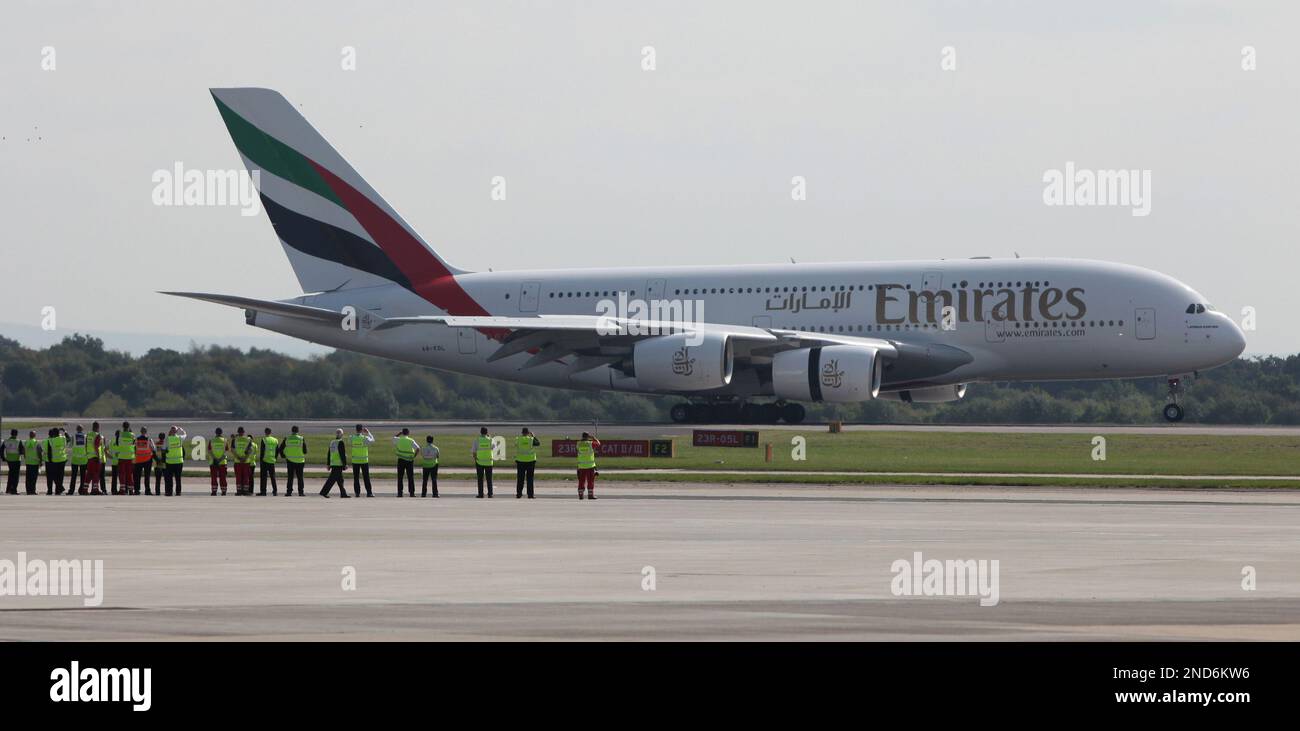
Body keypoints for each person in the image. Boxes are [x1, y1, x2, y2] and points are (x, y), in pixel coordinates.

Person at [320, 429, 351, 498]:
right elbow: (342, 455)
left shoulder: (332, 442)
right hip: (338, 464)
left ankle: (343, 493)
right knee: (331, 480)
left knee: (340, 480)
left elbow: (329, 454)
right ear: (342, 434)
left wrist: (328, 464)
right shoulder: (341, 442)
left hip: (333, 463)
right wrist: (345, 464)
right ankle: (323, 492)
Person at [515, 427, 540, 499]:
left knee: (520, 478)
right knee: (530, 479)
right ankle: (530, 495)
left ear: (522, 433)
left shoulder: (518, 439)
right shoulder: (531, 439)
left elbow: (516, 444)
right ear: (528, 433)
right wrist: (534, 436)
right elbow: (538, 443)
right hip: (530, 461)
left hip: (520, 461)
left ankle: (519, 494)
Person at [350, 424, 374, 498]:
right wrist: (368, 432)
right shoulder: (364, 438)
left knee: (356, 478)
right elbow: (373, 440)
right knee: (366, 477)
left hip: (355, 461)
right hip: (364, 460)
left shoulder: (351, 438)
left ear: (356, 429)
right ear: (361, 430)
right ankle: (369, 493)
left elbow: (350, 441)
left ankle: (357, 493)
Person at [282, 426, 307, 496]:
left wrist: (283, 456)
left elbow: (280, 448)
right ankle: (301, 492)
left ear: (291, 430)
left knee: (290, 477)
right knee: (300, 477)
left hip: (290, 460)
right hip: (300, 461)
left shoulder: (287, 438)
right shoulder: (301, 439)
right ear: (298, 431)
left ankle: (289, 492)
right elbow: (305, 451)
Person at [393, 428, 418, 497]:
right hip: (409, 460)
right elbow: (418, 448)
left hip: (401, 460)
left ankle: (400, 493)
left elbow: (394, 438)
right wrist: (414, 456)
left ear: (402, 433)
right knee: (410, 477)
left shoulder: (399, 439)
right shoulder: (411, 440)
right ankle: (412, 493)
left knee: (400, 477)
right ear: (408, 433)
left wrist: (399, 433)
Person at [576, 431, 601, 500]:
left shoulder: (578, 444)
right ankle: (590, 495)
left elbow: (578, 452)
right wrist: (593, 438)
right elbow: (599, 443)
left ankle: (581, 495)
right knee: (590, 481)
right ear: (588, 437)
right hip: (590, 466)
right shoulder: (591, 443)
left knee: (581, 481)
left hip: (581, 466)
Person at [44, 427, 68, 495]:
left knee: (51, 477)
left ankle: (51, 490)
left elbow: (48, 451)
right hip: (62, 459)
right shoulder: (63, 438)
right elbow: (68, 439)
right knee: (60, 476)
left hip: (53, 460)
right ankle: (58, 490)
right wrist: (65, 431)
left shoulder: (50, 441)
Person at [115, 422, 136, 497]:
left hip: (122, 456)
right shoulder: (132, 435)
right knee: (129, 474)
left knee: (122, 474)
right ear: (129, 426)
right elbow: (134, 444)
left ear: (122, 426)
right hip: (130, 457)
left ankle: (122, 489)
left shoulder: (119, 434)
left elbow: (117, 443)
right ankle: (131, 490)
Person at [164, 425, 187, 496]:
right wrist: (182, 430)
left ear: (170, 431)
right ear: (176, 431)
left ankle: (169, 492)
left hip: (169, 462)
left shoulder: (168, 439)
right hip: (179, 461)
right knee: (178, 478)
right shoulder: (180, 438)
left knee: (169, 479)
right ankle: (178, 492)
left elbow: (164, 448)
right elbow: (185, 434)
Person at [472, 426, 494, 498]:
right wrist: (489, 437)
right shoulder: (490, 440)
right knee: (489, 479)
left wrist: (475, 459)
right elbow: (493, 447)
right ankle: (490, 494)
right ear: (487, 432)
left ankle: (481, 494)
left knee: (480, 479)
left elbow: (474, 451)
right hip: (489, 462)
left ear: (480, 432)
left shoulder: (477, 440)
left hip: (479, 462)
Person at [232, 427, 254, 495]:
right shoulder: (248, 439)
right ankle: (245, 491)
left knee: (238, 477)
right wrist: (245, 458)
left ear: (238, 432)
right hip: (246, 461)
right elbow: (250, 450)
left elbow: (232, 450)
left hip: (237, 461)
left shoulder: (234, 439)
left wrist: (238, 458)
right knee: (246, 477)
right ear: (244, 432)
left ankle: (239, 491)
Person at [67, 425, 89, 496]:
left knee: (73, 476)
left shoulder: (73, 436)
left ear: (76, 429)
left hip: (75, 459)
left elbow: (69, 446)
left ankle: (71, 490)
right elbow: (87, 447)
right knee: (83, 476)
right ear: (82, 429)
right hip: (83, 459)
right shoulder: (86, 437)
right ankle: (82, 490)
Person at [84, 421, 104, 495]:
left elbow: (86, 445)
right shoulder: (97, 435)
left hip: (89, 457)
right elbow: (96, 446)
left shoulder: (88, 435)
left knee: (89, 473)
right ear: (98, 427)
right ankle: (95, 489)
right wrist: (99, 457)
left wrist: (87, 454)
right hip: (95, 457)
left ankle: (85, 489)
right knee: (96, 473)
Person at [133, 428, 155, 496]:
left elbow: (134, 448)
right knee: (147, 476)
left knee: (137, 476)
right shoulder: (149, 439)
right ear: (146, 432)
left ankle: (137, 490)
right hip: (147, 460)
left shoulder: (136, 440)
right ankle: (147, 490)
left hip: (138, 459)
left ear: (140, 431)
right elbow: (153, 448)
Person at [258, 427, 279, 496]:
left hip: (265, 460)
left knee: (263, 477)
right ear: (270, 432)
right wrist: (275, 458)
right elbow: (277, 451)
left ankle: (263, 491)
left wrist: (261, 460)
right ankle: (275, 491)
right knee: (273, 477)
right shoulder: (275, 440)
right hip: (272, 460)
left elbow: (262, 451)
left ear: (265, 432)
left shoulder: (264, 440)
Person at [209, 427, 229, 495]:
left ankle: (214, 491)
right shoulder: (225, 440)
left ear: (215, 432)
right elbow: (226, 451)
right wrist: (220, 459)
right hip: (222, 462)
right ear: (221, 433)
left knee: (214, 477)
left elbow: (209, 451)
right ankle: (224, 491)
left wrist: (215, 458)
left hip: (213, 462)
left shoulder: (211, 440)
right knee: (223, 477)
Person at [23, 430, 42, 495]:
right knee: (33, 478)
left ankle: (28, 491)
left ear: (29, 435)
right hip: (35, 462)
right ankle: (32, 491)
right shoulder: (36, 442)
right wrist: (41, 461)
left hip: (28, 462)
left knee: (28, 478)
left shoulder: (26, 442)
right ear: (35, 435)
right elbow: (39, 453)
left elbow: (24, 452)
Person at [3, 429, 21, 495]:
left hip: (9, 460)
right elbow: (21, 451)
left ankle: (8, 489)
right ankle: (14, 490)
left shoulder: (6, 441)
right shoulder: (18, 441)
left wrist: (3, 458)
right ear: (16, 434)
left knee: (10, 475)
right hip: (16, 460)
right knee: (15, 476)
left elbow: (1, 450)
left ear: (11, 433)